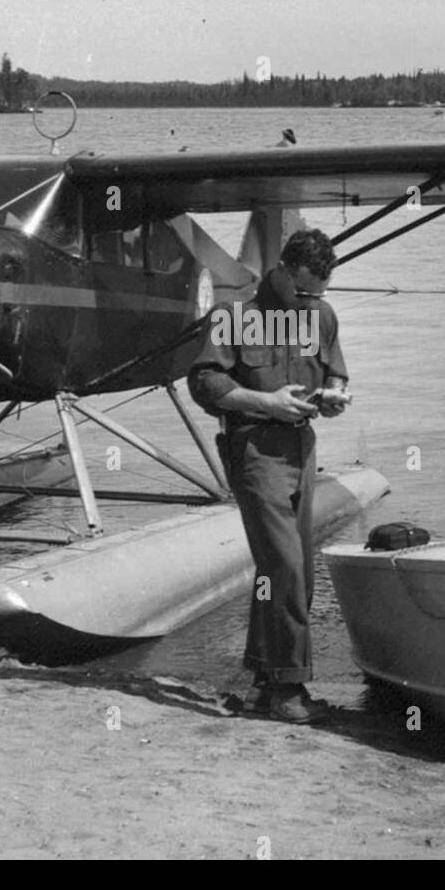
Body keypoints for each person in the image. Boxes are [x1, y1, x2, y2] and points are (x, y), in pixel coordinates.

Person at [188, 229, 348, 724]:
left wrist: (336, 395)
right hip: (254, 450)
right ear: (280, 271)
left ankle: (264, 680)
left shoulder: (320, 315)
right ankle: (290, 691)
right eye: (302, 290)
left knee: (286, 565)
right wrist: (266, 403)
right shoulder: (234, 318)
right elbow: (204, 383)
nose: (310, 301)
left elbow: (336, 371)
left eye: (318, 292)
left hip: (302, 447)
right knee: (287, 568)